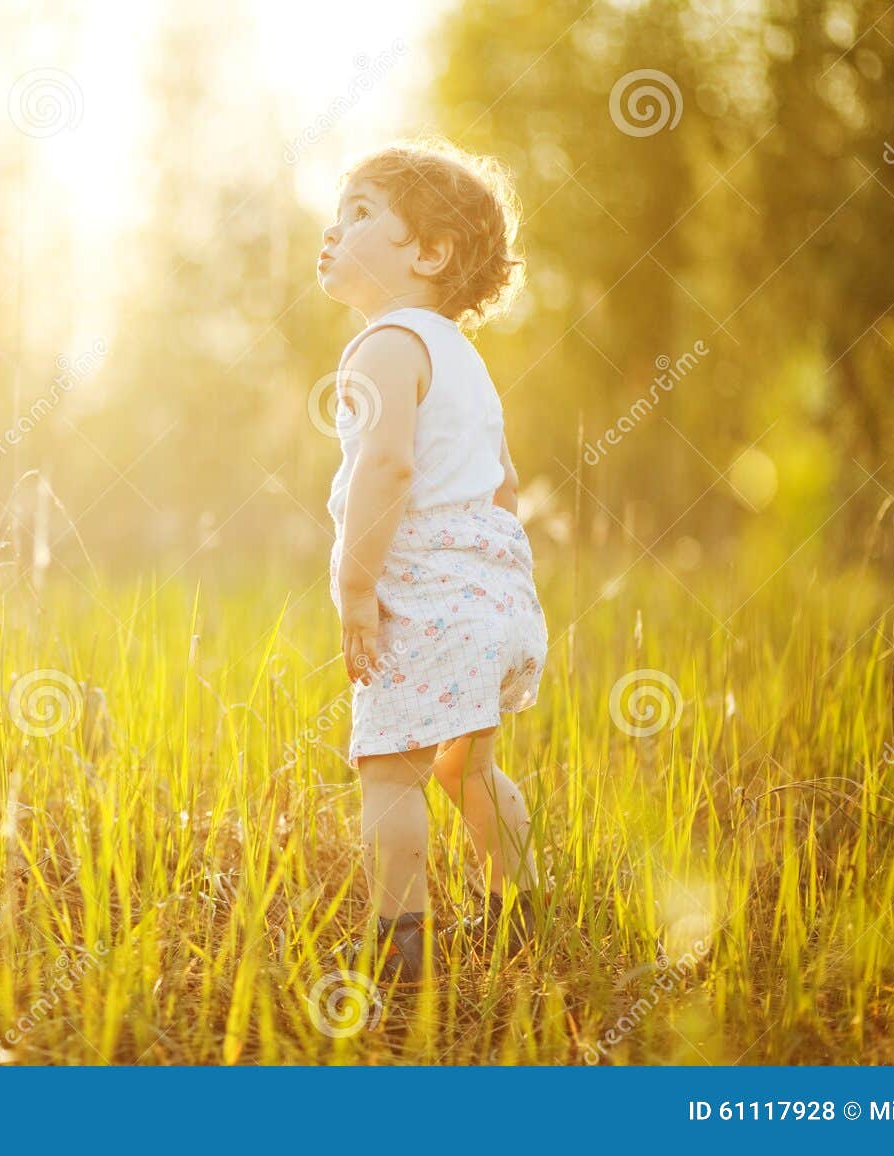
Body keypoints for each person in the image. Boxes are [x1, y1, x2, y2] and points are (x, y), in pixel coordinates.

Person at [318, 138, 548, 978]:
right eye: (336, 213)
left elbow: (387, 466)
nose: (332, 230)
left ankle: (398, 946)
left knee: (390, 770)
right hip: (495, 593)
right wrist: (494, 595)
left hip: (426, 592)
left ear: (430, 251)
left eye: (361, 213)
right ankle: (521, 912)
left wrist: (357, 582)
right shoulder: (464, 359)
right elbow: (505, 484)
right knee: (468, 765)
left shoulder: (384, 345)